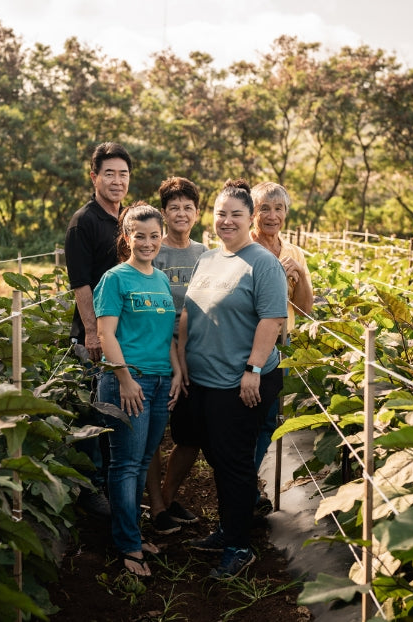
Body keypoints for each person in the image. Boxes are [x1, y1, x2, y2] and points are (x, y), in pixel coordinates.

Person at [179, 179, 288, 578]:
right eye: (221, 214)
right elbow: (190, 312)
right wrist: (183, 360)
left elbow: (272, 319)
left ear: (250, 218)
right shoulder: (207, 259)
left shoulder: (262, 262)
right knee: (215, 456)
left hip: (240, 382)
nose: (226, 221)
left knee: (235, 465)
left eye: (235, 215)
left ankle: (239, 547)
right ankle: (228, 528)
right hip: (203, 380)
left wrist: (253, 370)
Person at [94, 203, 181, 577]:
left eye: (153, 236)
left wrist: (177, 373)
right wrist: (125, 379)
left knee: (143, 462)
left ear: (161, 237)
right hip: (129, 382)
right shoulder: (115, 279)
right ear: (126, 237)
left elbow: (168, 336)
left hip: (161, 381)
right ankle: (128, 545)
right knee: (126, 465)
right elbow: (105, 334)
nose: (147, 243)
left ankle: (132, 533)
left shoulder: (160, 280)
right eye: (139, 236)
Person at [64, 141, 133, 517]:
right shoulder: (84, 222)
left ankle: (114, 486)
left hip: (124, 335)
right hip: (95, 338)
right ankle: (90, 493)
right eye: (109, 173)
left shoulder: (125, 221)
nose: (117, 181)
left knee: (117, 411)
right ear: (94, 177)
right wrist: (92, 333)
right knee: (94, 412)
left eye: (123, 174)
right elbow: (81, 284)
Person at [145, 177, 207, 535]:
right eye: (174, 208)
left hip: (193, 352)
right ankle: (155, 507)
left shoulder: (205, 254)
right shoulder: (155, 251)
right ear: (164, 213)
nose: (181, 214)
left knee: (191, 434)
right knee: (154, 433)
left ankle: (167, 497)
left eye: (188, 207)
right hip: (157, 351)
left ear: (196, 213)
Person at [249, 182, 314, 513]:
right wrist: (275, 273)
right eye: (264, 209)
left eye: (279, 209)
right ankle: (245, 488)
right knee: (247, 418)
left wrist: (299, 275)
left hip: (283, 346)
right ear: (253, 214)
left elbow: (304, 309)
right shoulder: (243, 247)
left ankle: (247, 485)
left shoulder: (295, 253)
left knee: (268, 421)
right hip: (250, 345)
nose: (272, 216)